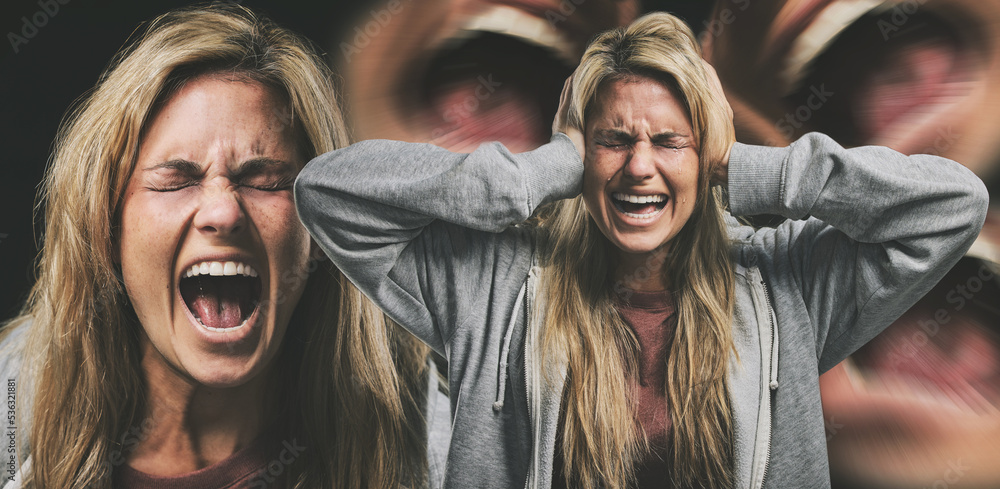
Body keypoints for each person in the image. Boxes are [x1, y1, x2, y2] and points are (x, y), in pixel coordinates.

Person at [294, 11, 988, 489]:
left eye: (669, 141)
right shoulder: (491, 285)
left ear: (706, 152)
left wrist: (753, 168)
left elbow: (952, 207)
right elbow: (329, 193)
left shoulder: (790, 282)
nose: (639, 167)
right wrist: (529, 177)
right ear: (580, 150)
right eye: (614, 139)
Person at [0, 5, 440, 489]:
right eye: (176, 181)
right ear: (106, 229)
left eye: (266, 181)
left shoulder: (432, 425)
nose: (224, 213)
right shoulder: (11, 401)